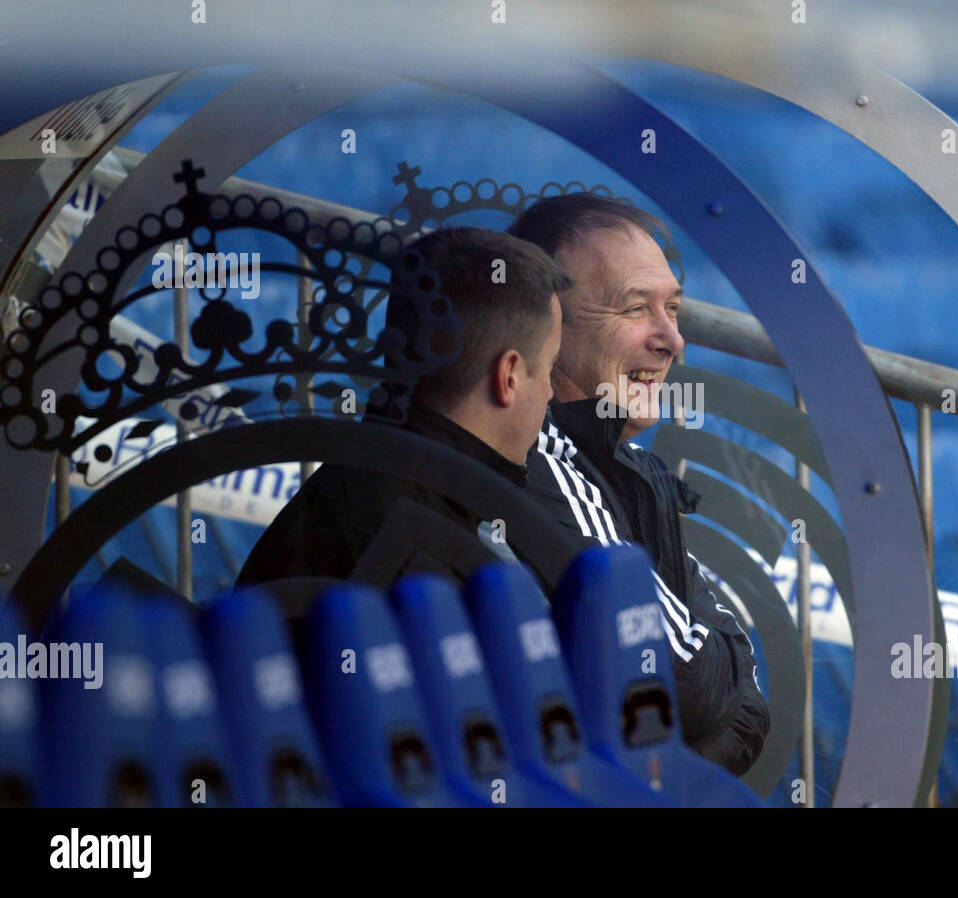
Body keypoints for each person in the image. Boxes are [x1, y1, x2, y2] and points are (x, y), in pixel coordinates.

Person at [508, 194, 771, 776]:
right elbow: (699, 691)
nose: (672, 340)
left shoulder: (625, 469)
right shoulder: (539, 462)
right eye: (634, 310)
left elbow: (744, 690)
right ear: (547, 324)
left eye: (672, 309)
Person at [237, 226, 568, 590]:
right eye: (550, 367)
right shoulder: (428, 550)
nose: (550, 392)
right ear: (509, 376)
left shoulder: (361, 481)